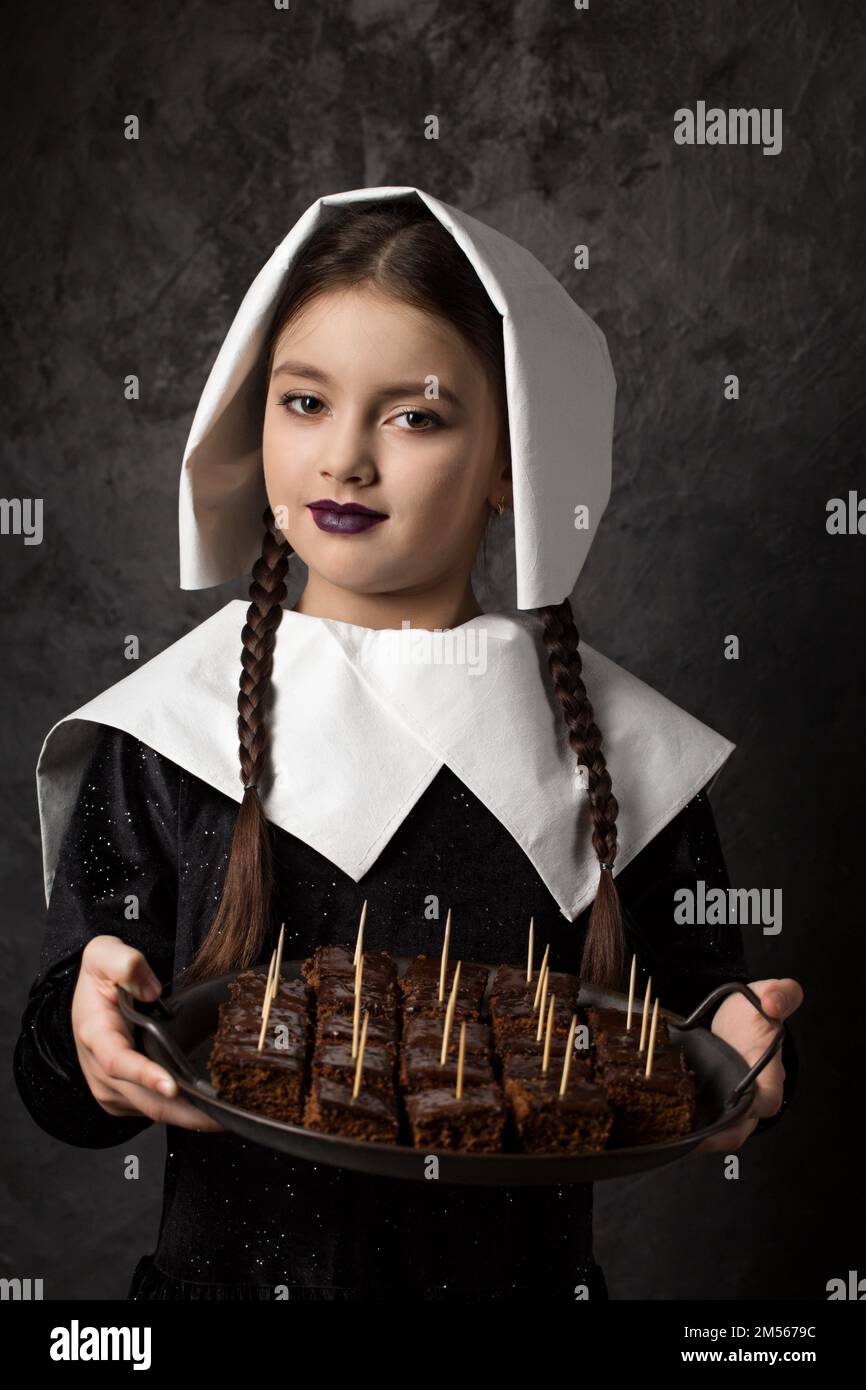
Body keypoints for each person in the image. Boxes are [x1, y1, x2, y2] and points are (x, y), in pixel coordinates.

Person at [14, 187, 802, 1300]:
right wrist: (84, 1037)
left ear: (507, 466)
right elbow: (58, 1082)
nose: (341, 458)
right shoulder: (165, 737)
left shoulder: (619, 758)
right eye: (302, 402)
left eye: (415, 415)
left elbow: (707, 1036)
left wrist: (749, 1041)